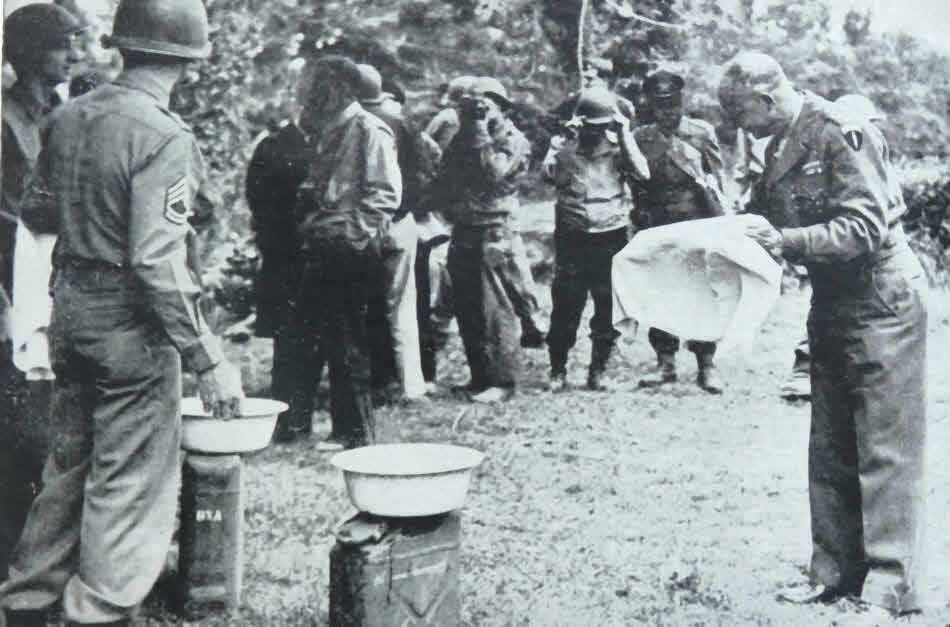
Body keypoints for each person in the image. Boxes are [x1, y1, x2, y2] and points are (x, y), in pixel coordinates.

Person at [0, 0, 246, 624]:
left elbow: (36, 213)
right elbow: (158, 261)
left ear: (123, 45)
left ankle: (27, 603)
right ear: (189, 57)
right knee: (129, 484)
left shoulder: (67, 117)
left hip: (70, 312)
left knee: (65, 472)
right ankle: (98, 613)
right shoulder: (163, 135)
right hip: (129, 326)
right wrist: (206, 356)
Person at [719, 51, 927, 617]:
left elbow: (863, 226)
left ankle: (889, 585)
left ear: (765, 99)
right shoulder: (780, 144)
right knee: (830, 443)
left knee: (883, 446)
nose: (741, 127)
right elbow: (767, 215)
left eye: (742, 114)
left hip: (881, 297)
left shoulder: (840, 131)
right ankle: (833, 571)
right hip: (833, 300)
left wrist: (787, 242)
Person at [0, 1, 83, 584]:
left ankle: (40, 561)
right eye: (64, 43)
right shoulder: (5, 118)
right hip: (11, 289)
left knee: (48, 430)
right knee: (19, 436)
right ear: (29, 50)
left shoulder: (60, 111)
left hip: (51, 287)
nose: (75, 54)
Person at [293, 55, 402, 449]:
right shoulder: (331, 129)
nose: (310, 93)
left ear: (337, 87)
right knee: (309, 336)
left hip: (349, 252)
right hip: (325, 247)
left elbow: (385, 194)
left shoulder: (368, 130)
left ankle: (354, 434)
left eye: (318, 85)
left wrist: (349, 237)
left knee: (348, 343)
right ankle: (301, 425)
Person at [778, 93, 890, 402]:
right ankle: (803, 369)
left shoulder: (868, 159)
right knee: (824, 316)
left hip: (867, 268)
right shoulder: (832, 151)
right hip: (834, 258)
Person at [542, 87, 649, 391]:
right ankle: (558, 369)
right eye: (591, 126)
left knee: (607, 307)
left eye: (601, 126)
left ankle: (597, 370)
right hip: (573, 234)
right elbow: (546, 174)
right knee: (566, 304)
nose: (595, 133)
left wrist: (625, 133)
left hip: (610, 235)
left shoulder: (619, 149)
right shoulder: (565, 147)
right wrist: (563, 141)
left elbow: (643, 173)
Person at [632, 69, 727, 393]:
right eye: (660, 104)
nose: (667, 110)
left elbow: (716, 182)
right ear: (651, 105)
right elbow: (636, 183)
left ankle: (706, 364)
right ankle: (665, 363)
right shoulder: (642, 137)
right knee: (660, 292)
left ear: (681, 101)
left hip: (696, 221)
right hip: (658, 221)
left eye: (672, 102)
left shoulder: (700, 133)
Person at [438, 76, 532, 403]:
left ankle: (503, 381)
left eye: (485, 106)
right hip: (465, 226)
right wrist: (466, 130)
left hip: (494, 229)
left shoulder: (512, 139)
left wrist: (477, 132)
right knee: (467, 308)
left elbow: (495, 175)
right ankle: (480, 376)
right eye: (473, 106)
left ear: (502, 108)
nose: (479, 112)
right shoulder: (465, 137)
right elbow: (445, 173)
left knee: (494, 308)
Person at [355, 63, 428, 401]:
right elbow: (422, 174)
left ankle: (372, 382)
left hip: (363, 225)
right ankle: (411, 384)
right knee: (401, 308)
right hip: (400, 222)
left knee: (363, 306)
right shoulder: (402, 123)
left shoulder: (348, 124)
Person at [246, 121, 315, 441]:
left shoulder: (272, 145)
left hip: (281, 252)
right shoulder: (306, 146)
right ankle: (294, 419)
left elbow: (254, 200)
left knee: (289, 343)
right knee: (299, 341)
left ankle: (289, 419)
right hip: (298, 253)